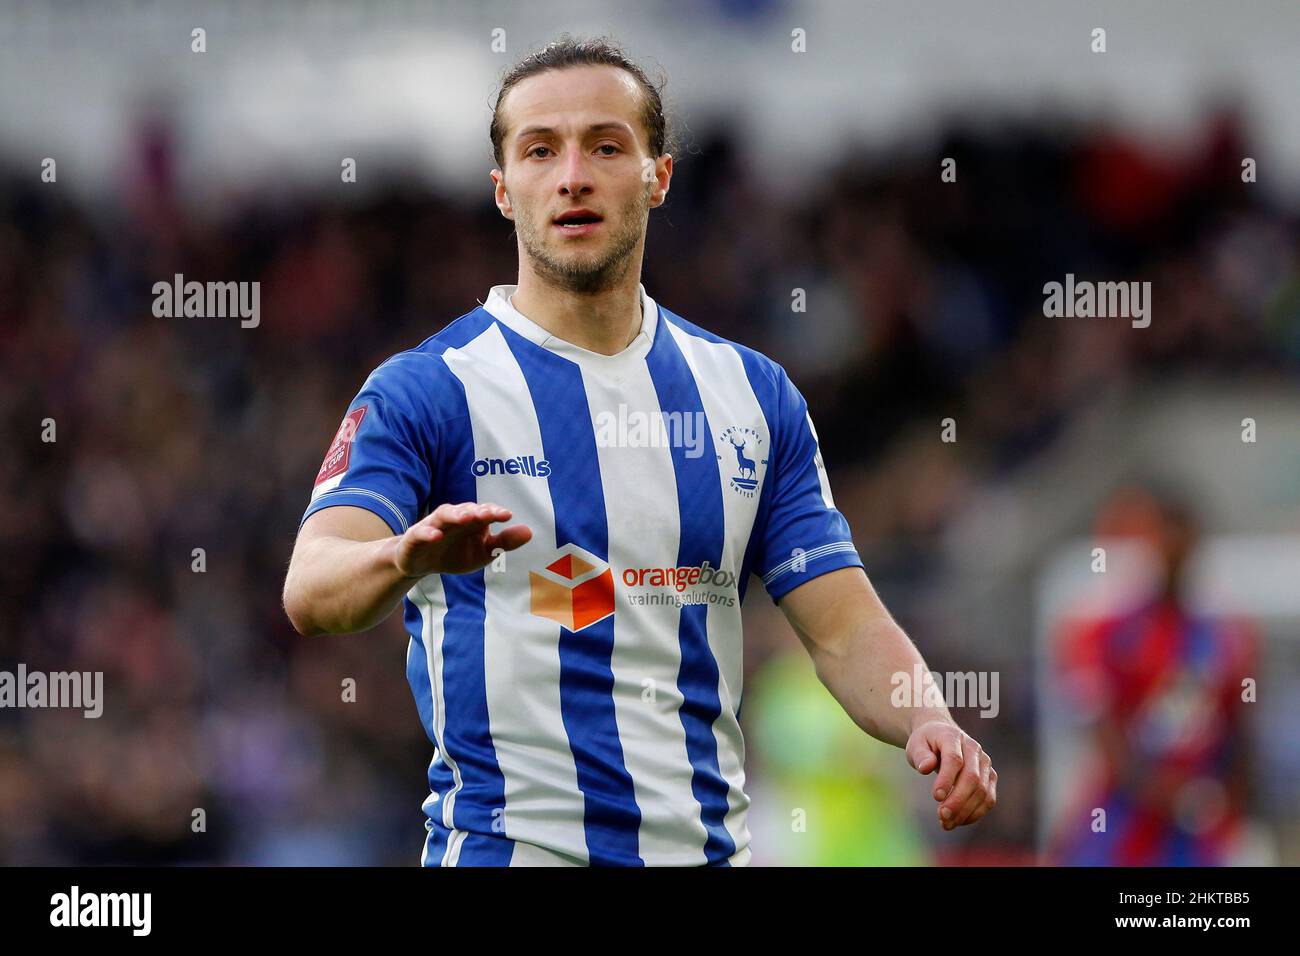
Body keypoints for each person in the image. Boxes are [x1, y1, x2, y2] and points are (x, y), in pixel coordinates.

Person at [282, 35, 996, 866]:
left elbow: (843, 626)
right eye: (539, 150)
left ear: (658, 176)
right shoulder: (427, 390)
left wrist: (927, 716)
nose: (572, 175)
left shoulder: (752, 396)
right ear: (504, 190)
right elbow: (311, 587)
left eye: (606, 146)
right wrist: (403, 556)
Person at [1051, 484, 1257, 865]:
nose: (1172, 549)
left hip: (1195, 826)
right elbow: (1101, 728)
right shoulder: (1104, 632)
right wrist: (1159, 791)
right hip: (1119, 818)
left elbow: (1240, 733)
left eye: (1182, 536)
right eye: (1162, 535)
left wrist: (1232, 812)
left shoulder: (1226, 639)